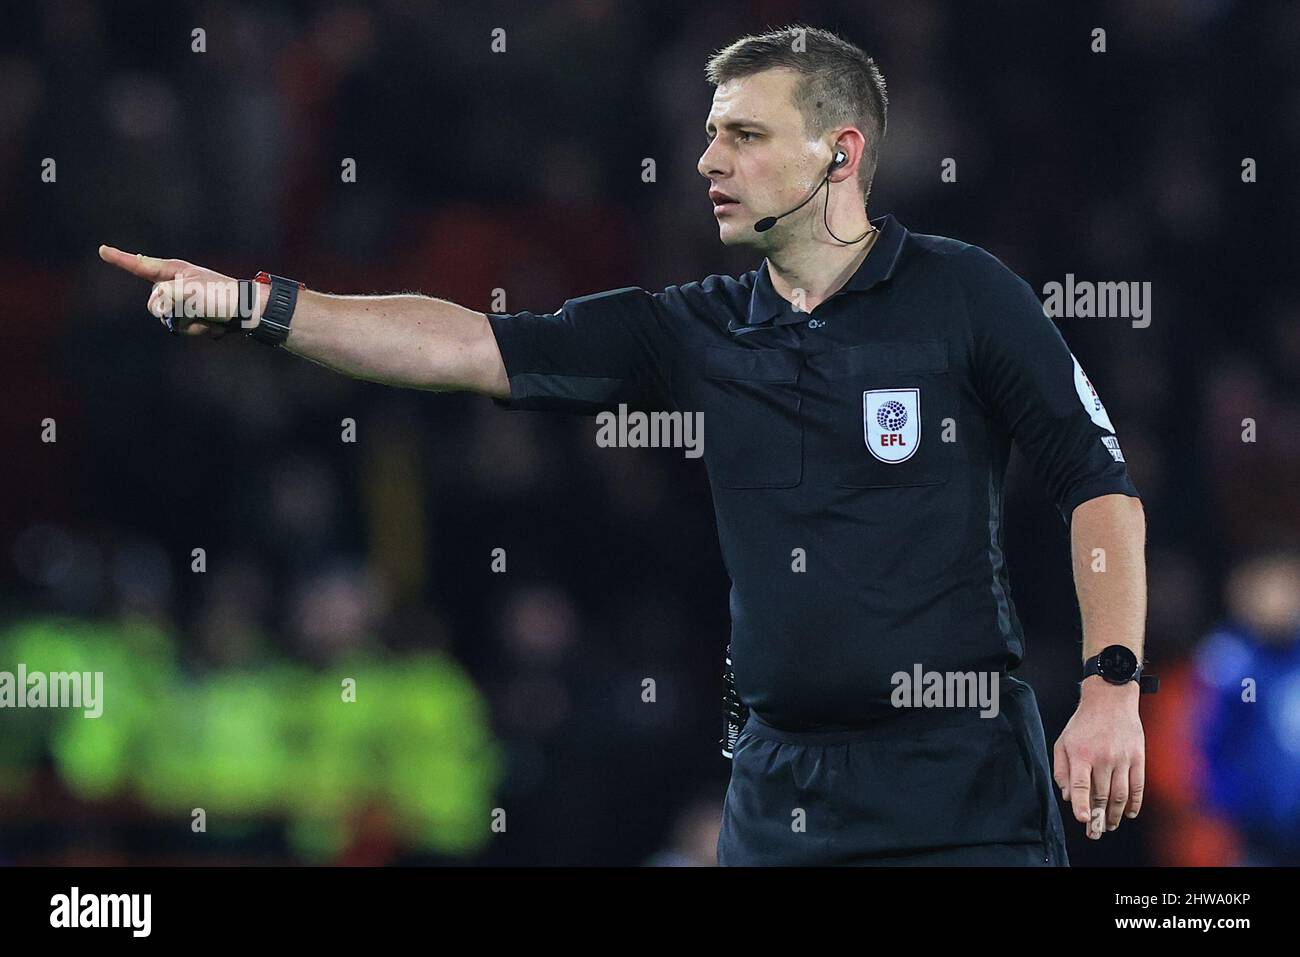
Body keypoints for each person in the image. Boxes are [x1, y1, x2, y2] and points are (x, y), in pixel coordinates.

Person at [99, 24, 1154, 866]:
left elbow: (1095, 484)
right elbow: (466, 343)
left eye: (742, 133)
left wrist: (1110, 685)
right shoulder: (691, 327)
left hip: (958, 786)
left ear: (840, 152)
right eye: (707, 132)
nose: (706, 159)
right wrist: (264, 306)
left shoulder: (962, 294)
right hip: (780, 796)